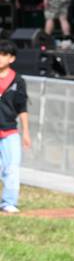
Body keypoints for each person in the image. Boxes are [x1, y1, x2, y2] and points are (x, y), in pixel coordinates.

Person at [0, 39, 30, 213]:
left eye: (3, 55)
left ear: (11, 59)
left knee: (12, 167)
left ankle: (9, 202)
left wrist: (26, 131)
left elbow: (22, 107)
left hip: (9, 130)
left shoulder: (18, 81)